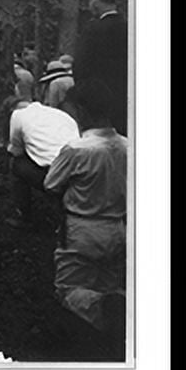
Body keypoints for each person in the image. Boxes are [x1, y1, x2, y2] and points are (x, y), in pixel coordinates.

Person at [44, 80, 127, 339]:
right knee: (110, 282)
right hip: (118, 227)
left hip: (82, 228)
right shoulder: (129, 146)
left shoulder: (76, 150)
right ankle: (113, 328)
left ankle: (95, 321)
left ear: (81, 110)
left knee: (70, 289)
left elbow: (51, 185)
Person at [6, 81, 80, 228]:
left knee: (15, 164)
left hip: (52, 173)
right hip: (78, 167)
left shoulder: (17, 115)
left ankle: (23, 215)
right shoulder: (57, 113)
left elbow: (16, 150)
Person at [73, 0, 128, 135]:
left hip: (99, 96)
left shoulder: (93, 29)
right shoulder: (130, 27)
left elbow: (81, 62)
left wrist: (81, 89)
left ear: (96, 4)